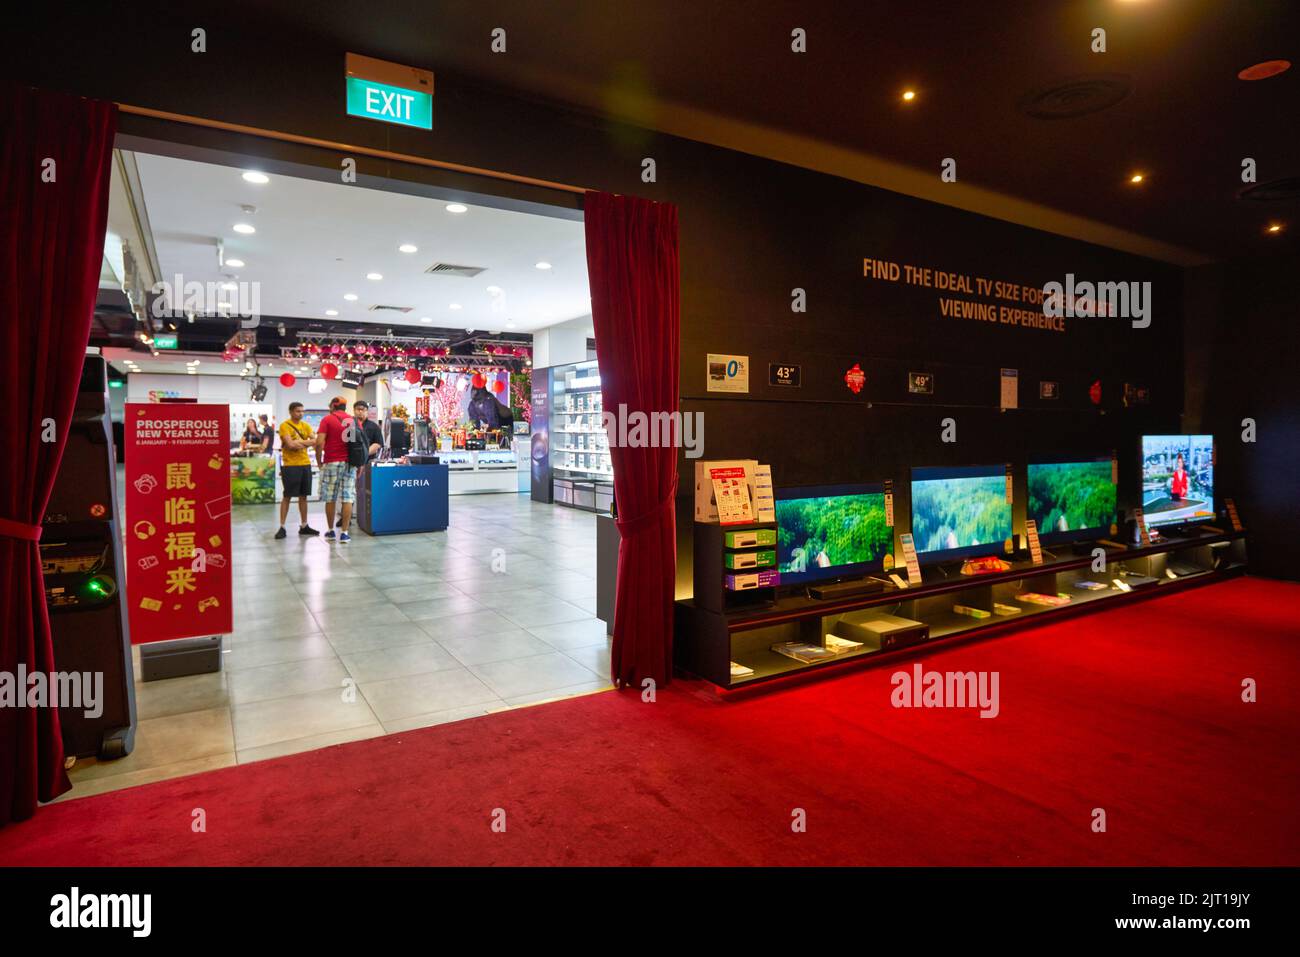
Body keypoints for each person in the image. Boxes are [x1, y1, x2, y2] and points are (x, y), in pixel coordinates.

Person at [316, 397, 361, 542]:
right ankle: (345, 532)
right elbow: (355, 444)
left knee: (330, 497)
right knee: (347, 498)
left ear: (333, 406)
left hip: (331, 462)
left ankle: (330, 531)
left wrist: (319, 461)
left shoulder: (327, 420)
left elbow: (319, 443)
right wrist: (358, 465)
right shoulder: (352, 421)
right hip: (349, 463)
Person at [274, 402, 319, 540]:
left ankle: (304, 525)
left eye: (302, 411)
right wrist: (306, 442)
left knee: (303, 496)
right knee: (287, 496)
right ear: (291, 412)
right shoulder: (284, 426)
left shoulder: (305, 426)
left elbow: (316, 441)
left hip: (305, 464)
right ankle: (282, 526)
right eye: (298, 411)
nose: (301, 413)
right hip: (290, 465)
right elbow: (290, 444)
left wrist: (300, 443)